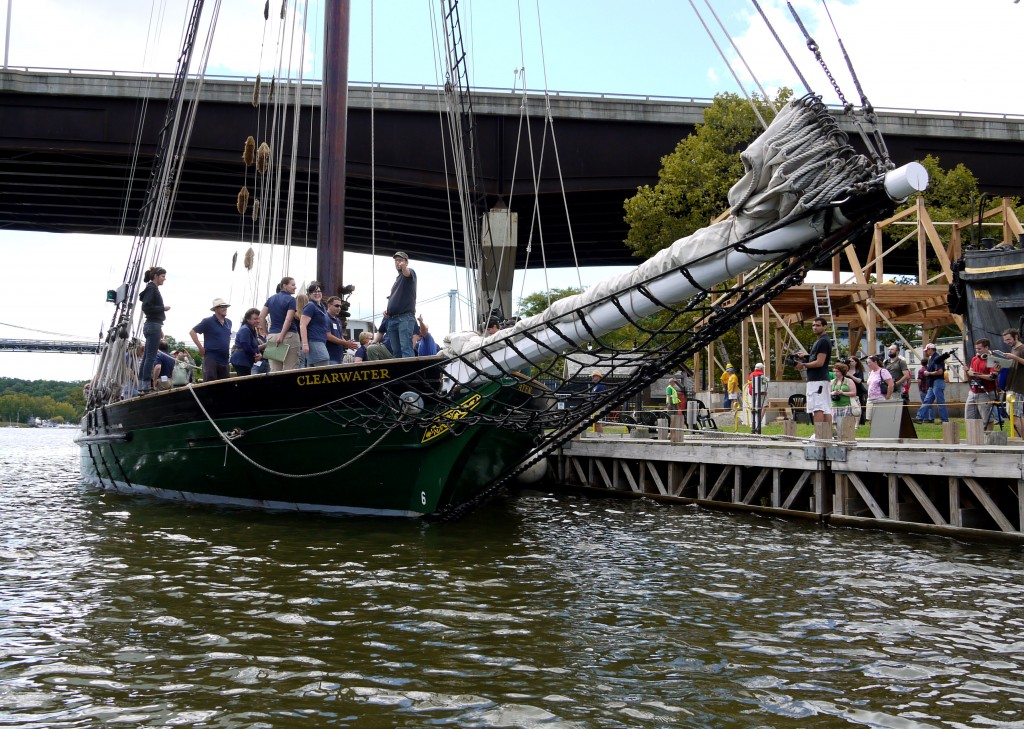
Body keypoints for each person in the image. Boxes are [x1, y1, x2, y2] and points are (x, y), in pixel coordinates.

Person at [794, 316, 833, 427]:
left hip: (817, 379)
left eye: (818, 325)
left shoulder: (823, 342)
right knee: (825, 407)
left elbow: (820, 362)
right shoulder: (820, 341)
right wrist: (805, 357)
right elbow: (816, 358)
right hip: (820, 379)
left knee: (818, 407)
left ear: (825, 326)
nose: (814, 327)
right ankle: (826, 434)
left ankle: (819, 434)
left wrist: (803, 365)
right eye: (813, 325)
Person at [137, 266, 169, 395]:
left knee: (146, 357)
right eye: (162, 276)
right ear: (156, 276)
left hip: (152, 325)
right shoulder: (152, 289)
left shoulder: (150, 288)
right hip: (153, 325)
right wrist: (162, 308)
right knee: (150, 357)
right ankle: (145, 386)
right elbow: (146, 307)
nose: (164, 279)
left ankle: (142, 385)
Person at [258, 276, 300, 372]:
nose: (295, 287)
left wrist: (265, 333)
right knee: (290, 368)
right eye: (293, 285)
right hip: (288, 335)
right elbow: (288, 319)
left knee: (275, 369)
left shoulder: (271, 299)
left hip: (272, 335)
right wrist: (282, 335)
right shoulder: (291, 300)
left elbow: (261, 317)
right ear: (285, 286)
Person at [190, 298, 233, 382]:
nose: (225, 308)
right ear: (215, 309)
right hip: (211, 359)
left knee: (225, 386)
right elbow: (192, 332)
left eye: (226, 306)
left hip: (225, 359)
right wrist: (200, 348)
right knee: (210, 384)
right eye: (222, 306)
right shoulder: (208, 321)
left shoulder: (229, 322)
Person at [385, 251, 417, 358]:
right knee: (397, 352)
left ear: (406, 262)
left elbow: (407, 273)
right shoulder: (397, 280)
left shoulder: (409, 272)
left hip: (404, 318)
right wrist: (388, 311)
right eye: (396, 261)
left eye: (400, 260)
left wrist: (404, 267)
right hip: (392, 319)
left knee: (406, 349)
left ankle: (411, 374)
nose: (398, 262)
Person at [995, 328, 1024, 437]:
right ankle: (1021, 440)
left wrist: (1014, 357)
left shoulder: (1021, 349)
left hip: (1017, 386)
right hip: (1011, 385)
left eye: (1009, 339)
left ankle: (1018, 440)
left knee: (1014, 416)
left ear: (1016, 337)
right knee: (1018, 415)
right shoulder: (1014, 350)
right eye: (1005, 340)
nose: (1007, 342)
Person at [966, 337, 999, 431]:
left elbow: (993, 377)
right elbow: (971, 373)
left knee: (987, 418)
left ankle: (988, 438)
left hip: (986, 392)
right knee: (970, 417)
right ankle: (974, 439)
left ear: (986, 348)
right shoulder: (974, 359)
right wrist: (968, 372)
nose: (977, 351)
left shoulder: (993, 359)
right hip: (973, 391)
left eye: (979, 349)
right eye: (976, 348)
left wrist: (977, 374)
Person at [914, 343, 949, 424]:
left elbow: (939, 372)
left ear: (930, 349)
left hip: (937, 382)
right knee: (927, 401)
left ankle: (945, 420)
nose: (926, 352)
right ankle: (919, 418)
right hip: (933, 383)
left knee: (940, 401)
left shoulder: (936, 359)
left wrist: (928, 373)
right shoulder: (933, 358)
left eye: (926, 350)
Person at [299, 283, 330, 368]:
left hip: (321, 341)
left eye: (319, 291)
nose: (317, 293)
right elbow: (302, 325)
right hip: (314, 341)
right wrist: (305, 344)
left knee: (312, 368)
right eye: (314, 292)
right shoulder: (310, 306)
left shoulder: (322, 307)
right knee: (323, 361)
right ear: (309, 294)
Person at [230, 307, 263, 377]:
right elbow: (246, 346)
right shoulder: (245, 330)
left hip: (246, 361)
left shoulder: (253, 330)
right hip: (241, 361)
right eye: (255, 319)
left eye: (258, 318)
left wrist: (259, 354)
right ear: (248, 319)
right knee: (244, 381)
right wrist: (256, 355)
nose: (258, 321)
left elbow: (255, 346)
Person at [325, 296, 357, 365]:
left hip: (339, 357)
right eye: (337, 306)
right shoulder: (325, 318)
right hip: (330, 357)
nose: (339, 308)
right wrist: (345, 343)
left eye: (340, 306)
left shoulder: (338, 320)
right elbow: (328, 336)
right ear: (329, 305)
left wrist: (349, 344)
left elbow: (340, 336)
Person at [864, 354, 894, 421]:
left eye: (869, 362)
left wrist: (887, 397)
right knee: (870, 418)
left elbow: (891, 384)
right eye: (867, 363)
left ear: (875, 362)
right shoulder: (871, 373)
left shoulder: (883, 371)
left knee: (880, 418)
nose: (868, 364)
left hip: (880, 398)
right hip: (870, 398)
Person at [884, 344, 911, 408]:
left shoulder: (901, 362)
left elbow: (906, 375)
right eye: (889, 349)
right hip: (887, 388)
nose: (890, 351)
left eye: (892, 349)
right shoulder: (886, 362)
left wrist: (896, 384)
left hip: (897, 389)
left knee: (895, 407)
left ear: (897, 351)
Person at [830, 362, 856, 427]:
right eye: (834, 371)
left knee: (845, 424)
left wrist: (842, 393)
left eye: (837, 371)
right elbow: (827, 393)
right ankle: (837, 436)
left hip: (846, 405)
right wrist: (833, 393)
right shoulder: (832, 381)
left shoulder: (849, 381)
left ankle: (846, 436)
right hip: (835, 405)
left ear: (842, 371)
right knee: (835, 424)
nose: (835, 373)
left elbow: (854, 393)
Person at [747, 362, 768, 434]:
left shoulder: (751, 375)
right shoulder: (762, 375)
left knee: (754, 408)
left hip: (752, 393)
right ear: (761, 368)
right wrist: (765, 391)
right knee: (764, 406)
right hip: (761, 394)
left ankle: (753, 424)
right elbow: (765, 385)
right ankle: (759, 422)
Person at [847, 356, 868, 425]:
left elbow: (859, 380)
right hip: (848, 390)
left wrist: (850, 375)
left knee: (857, 406)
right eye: (849, 361)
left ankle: (858, 422)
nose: (850, 363)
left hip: (858, 390)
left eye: (852, 361)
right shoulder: (846, 370)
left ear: (856, 362)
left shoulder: (859, 371)